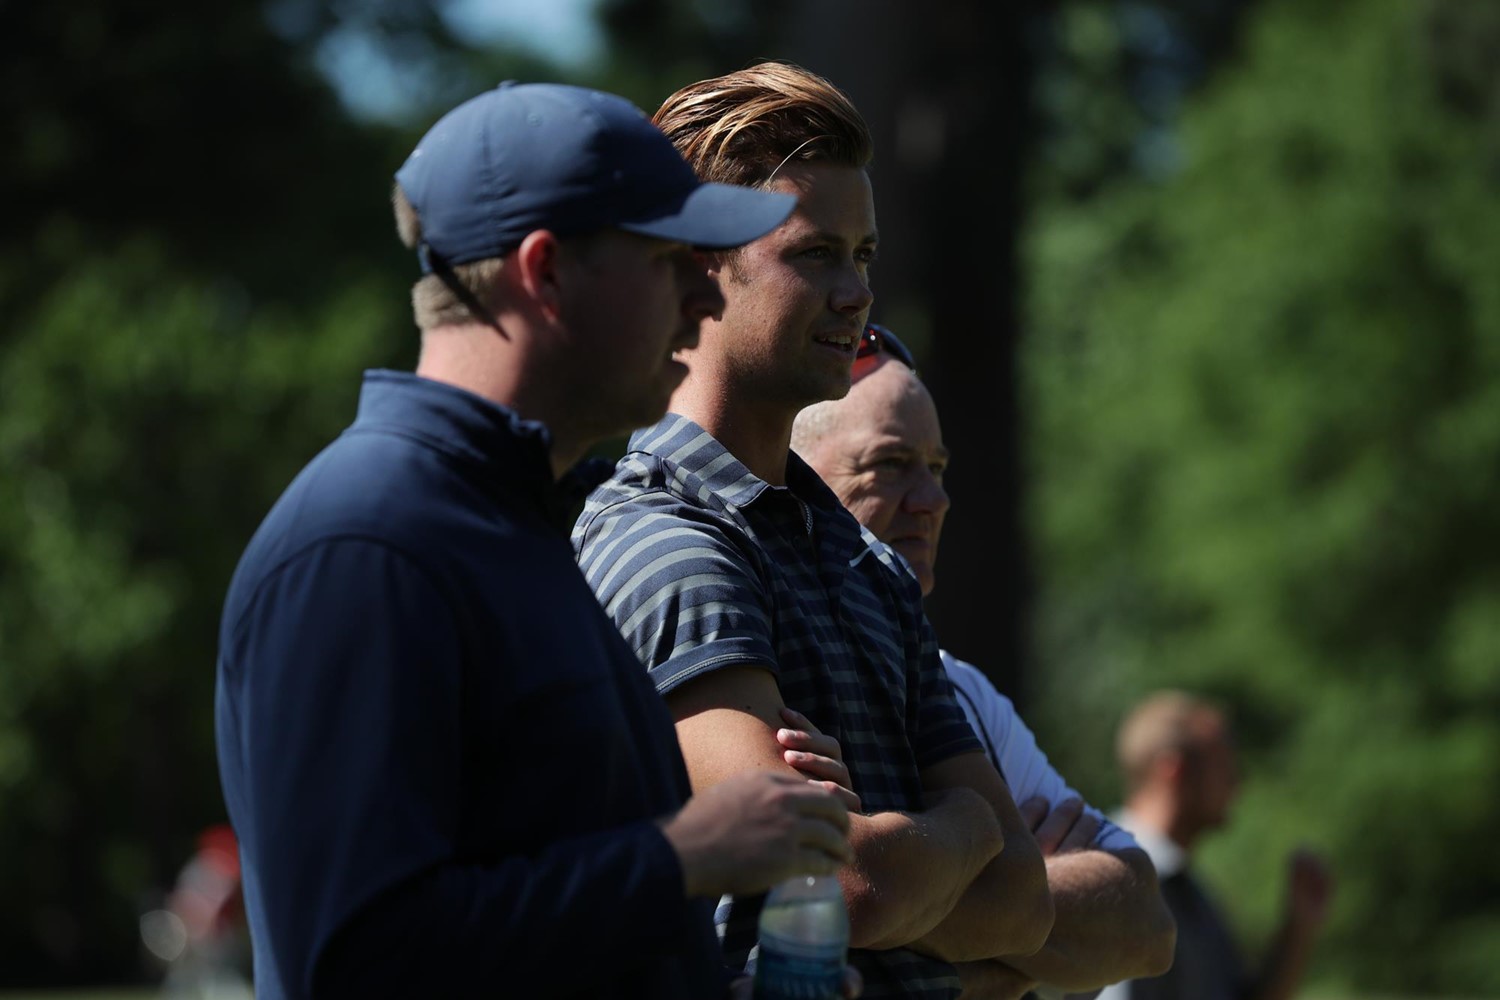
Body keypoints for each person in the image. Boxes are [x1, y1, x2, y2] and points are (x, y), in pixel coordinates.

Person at [215, 80, 866, 1000]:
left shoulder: (516, 525)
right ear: (546, 270)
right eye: (666, 259)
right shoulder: (367, 546)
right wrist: (679, 857)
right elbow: (354, 956)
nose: (699, 298)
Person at [573, 61, 1054, 1000]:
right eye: (815, 253)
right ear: (697, 269)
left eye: (864, 255)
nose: (856, 294)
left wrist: (893, 842)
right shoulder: (663, 541)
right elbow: (840, 889)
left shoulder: (864, 560)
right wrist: (965, 824)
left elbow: (1026, 903)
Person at [789, 323, 1178, 998]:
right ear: (789, 478)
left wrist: (936, 942)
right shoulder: (760, 664)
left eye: (936, 468)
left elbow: (1144, 920)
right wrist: (997, 873)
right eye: (890, 464)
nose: (933, 500)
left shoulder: (959, 687)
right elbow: (852, 894)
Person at [1095, 691, 1335, 1000]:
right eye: (1222, 763)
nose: (1237, 781)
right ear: (1174, 771)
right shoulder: (1111, 879)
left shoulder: (1193, 894)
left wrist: (1298, 929)